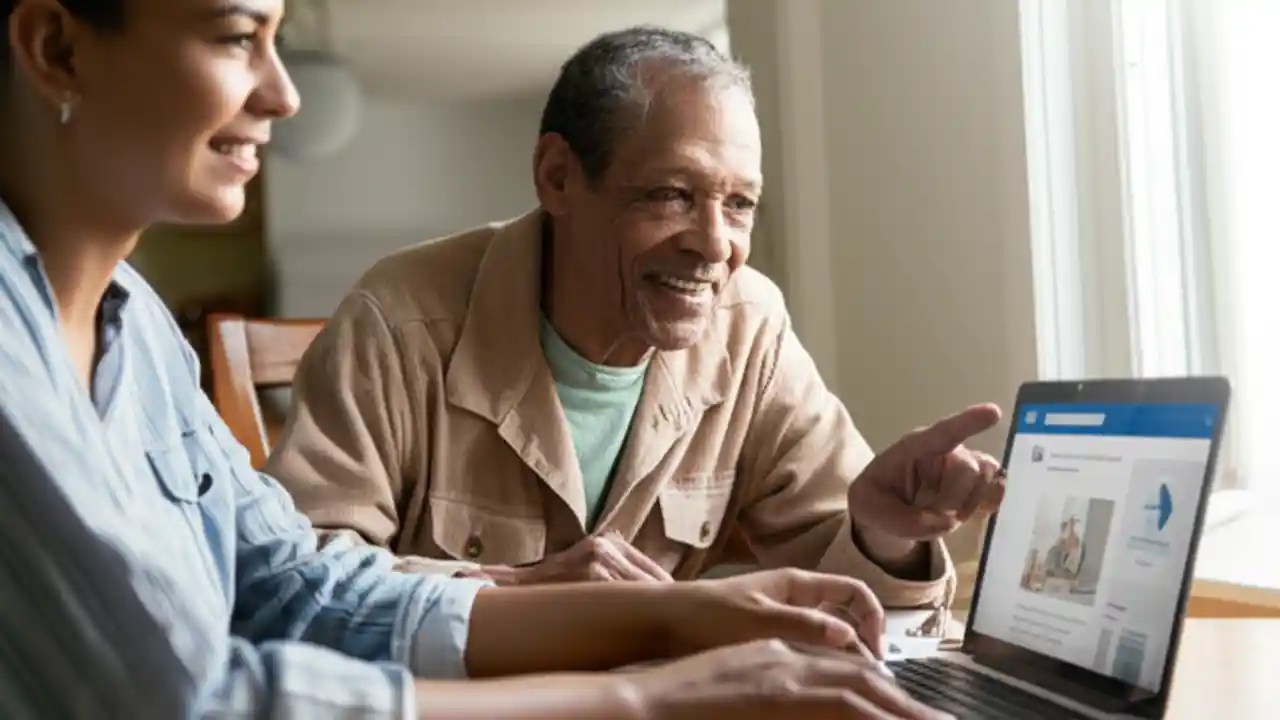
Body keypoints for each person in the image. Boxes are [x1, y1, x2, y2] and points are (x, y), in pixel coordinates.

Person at [0, 2, 953, 718]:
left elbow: (293, 587)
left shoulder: (139, 329)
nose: (284, 94)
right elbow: (191, 696)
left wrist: (678, 618)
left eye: (739, 204)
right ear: (57, 48)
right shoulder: (397, 317)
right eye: (234, 35)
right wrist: (644, 696)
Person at [266, 26, 1008, 605]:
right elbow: (295, 578)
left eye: (739, 204)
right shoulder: (397, 320)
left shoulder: (751, 328)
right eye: (672, 195)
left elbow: (847, 605)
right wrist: (517, 592)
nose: (714, 245)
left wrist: (880, 533)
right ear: (558, 177)